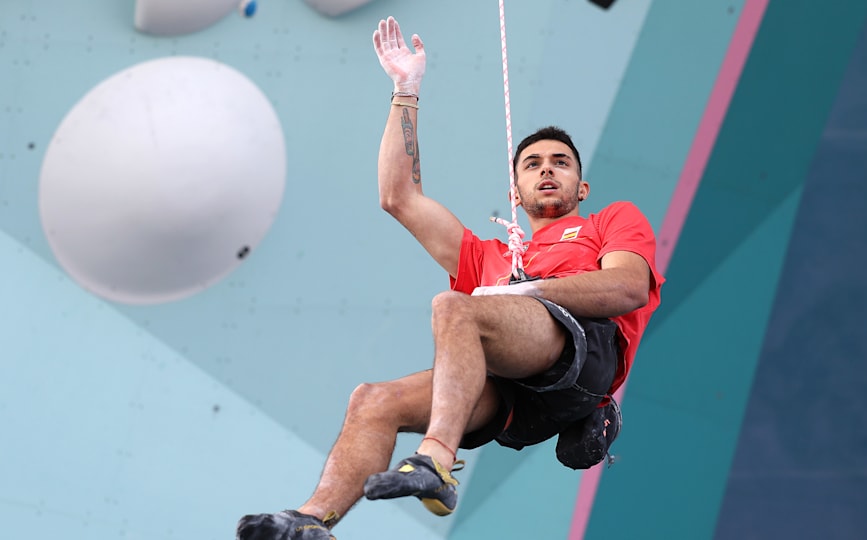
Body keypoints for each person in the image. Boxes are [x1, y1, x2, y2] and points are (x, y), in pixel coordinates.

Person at [236, 16, 664, 540]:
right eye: (532, 164)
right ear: (515, 192)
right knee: (372, 399)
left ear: (582, 187)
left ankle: (434, 461)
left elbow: (626, 289)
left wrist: (522, 290)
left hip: (583, 361)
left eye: (561, 163)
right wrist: (405, 90)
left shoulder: (609, 221)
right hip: (513, 399)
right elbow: (398, 197)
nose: (546, 169)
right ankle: (310, 521)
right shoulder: (485, 256)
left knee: (454, 305)